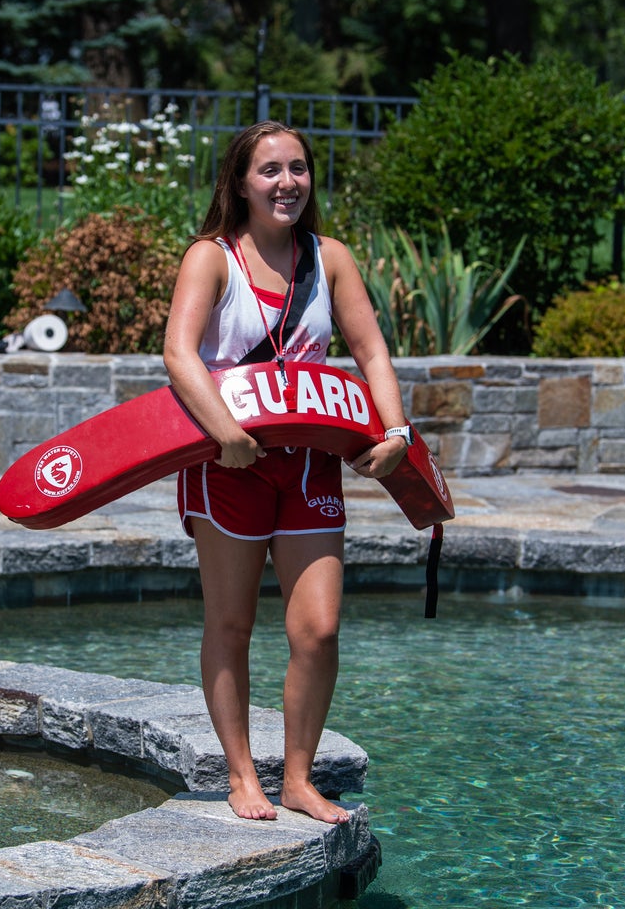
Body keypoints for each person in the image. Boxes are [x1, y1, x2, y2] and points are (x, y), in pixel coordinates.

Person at [162, 121, 413, 823]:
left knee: (319, 629)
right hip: (228, 467)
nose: (287, 183)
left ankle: (298, 779)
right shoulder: (211, 258)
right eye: (270, 170)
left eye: (298, 168)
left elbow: (372, 353)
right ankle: (243, 776)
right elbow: (180, 355)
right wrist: (226, 434)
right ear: (241, 182)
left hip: (310, 468)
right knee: (232, 623)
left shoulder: (329, 257)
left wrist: (396, 432)